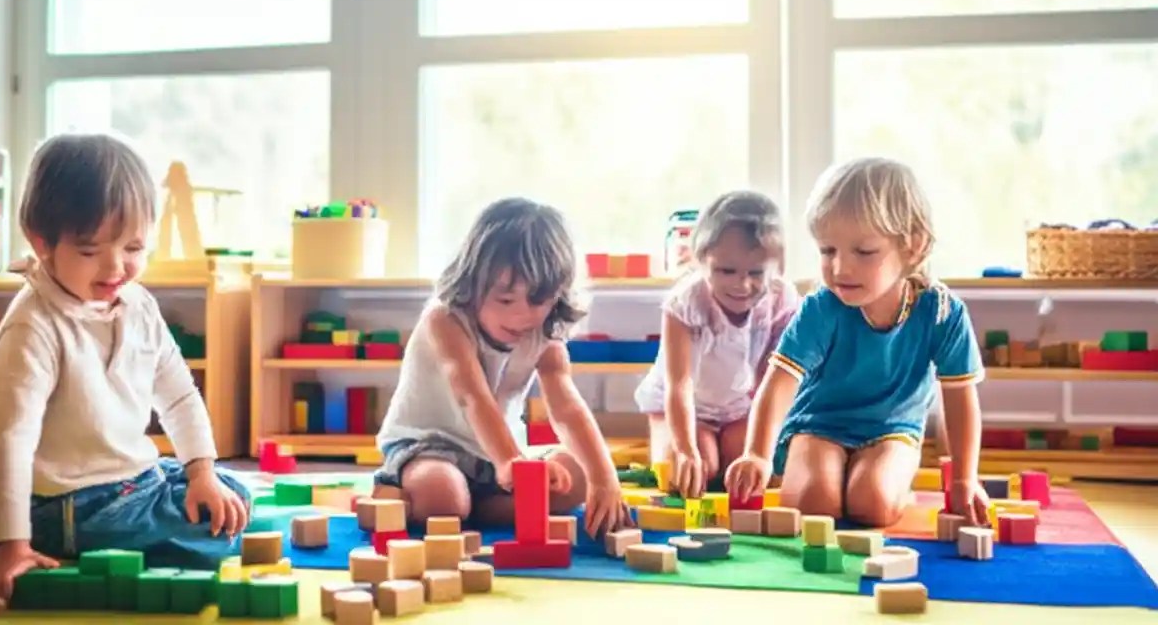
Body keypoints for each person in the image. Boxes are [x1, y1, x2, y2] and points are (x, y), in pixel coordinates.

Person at [0, 134, 249, 617]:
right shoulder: (33, 326)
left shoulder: (138, 305)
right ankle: (77, 547)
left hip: (133, 481)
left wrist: (201, 472)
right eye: (91, 250)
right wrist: (9, 547)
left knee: (231, 491)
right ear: (41, 241)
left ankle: (167, 522)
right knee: (216, 530)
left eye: (134, 246)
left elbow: (178, 394)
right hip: (69, 506)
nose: (116, 267)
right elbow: (9, 441)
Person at [726, 157, 989, 527]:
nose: (839, 268)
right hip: (818, 425)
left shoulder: (943, 312)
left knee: (874, 504)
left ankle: (885, 477)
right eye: (827, 250)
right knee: (814, 502)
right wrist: (757, 454)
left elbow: (960, 398)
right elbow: (780, 381)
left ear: (913, 247)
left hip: (892, 431)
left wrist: (964, 479)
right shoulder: (822, 307)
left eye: (863, 252)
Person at [375, 197, 632, 537]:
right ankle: (406, 494)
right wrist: (511, 460)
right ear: (473, 283)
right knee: (443, 497)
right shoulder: (446, 319)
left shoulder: (545, 334)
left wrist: (605, 478)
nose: (521, 316)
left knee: (580, 475)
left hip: (499, 459)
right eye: (505, 300)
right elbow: (472, 396)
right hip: (429, 447)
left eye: (538, 301)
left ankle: (478, 508)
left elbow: (567, 408)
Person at [634, 191, 798, 498]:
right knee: (688, 474)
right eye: (726, 271)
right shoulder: (686, 303)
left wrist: (760, 451)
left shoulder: (781, 301)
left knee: (749, 474)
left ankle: (721, 447)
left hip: (738, 407)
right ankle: (687, 446)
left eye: (756, 273)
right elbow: (679, 384)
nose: (742, 284)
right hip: (684, 407)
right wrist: (684, 449)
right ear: (700, 260)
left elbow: (771, 381)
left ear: (778, 266)